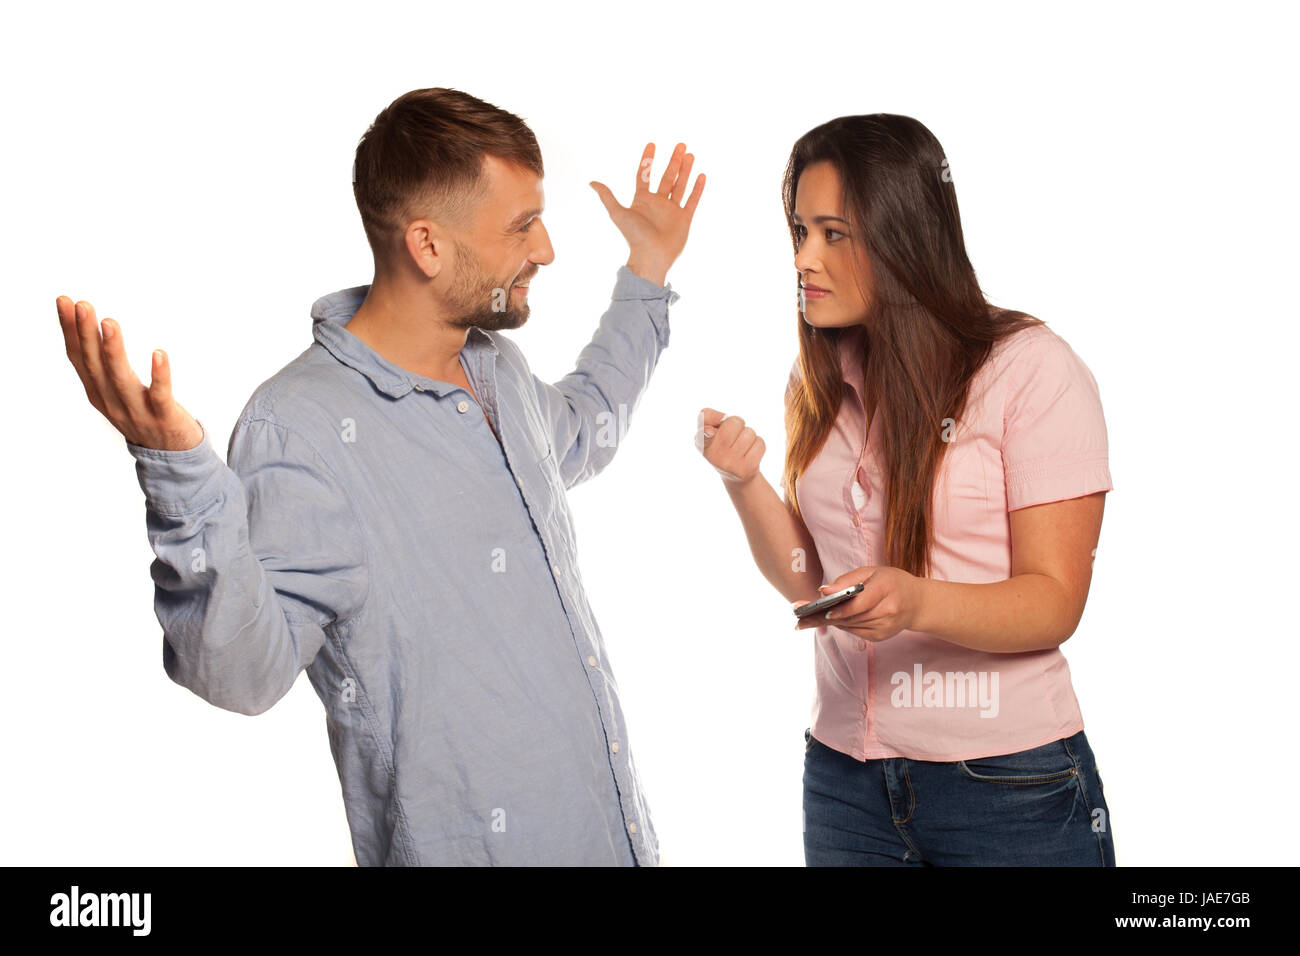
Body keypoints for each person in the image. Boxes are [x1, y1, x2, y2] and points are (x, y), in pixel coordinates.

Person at [55, 87, 704, 866]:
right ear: (427, 246)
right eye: (522, 226)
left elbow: (586, 425)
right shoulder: (301, 429)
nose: (547, 250)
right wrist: (180, 472)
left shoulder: (496, 371)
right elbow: (239, 671)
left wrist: (650, 268)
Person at [695, 113, 1114, 866]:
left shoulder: (1031, 371)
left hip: (1005, 784)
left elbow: (1055, 601)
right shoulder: (819, 376)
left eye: (832, 233)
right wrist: (743, 480)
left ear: (902, 236)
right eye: (798, 231)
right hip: (842, 782)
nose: (803, 258)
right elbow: (811, 579)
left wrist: (917, 601)